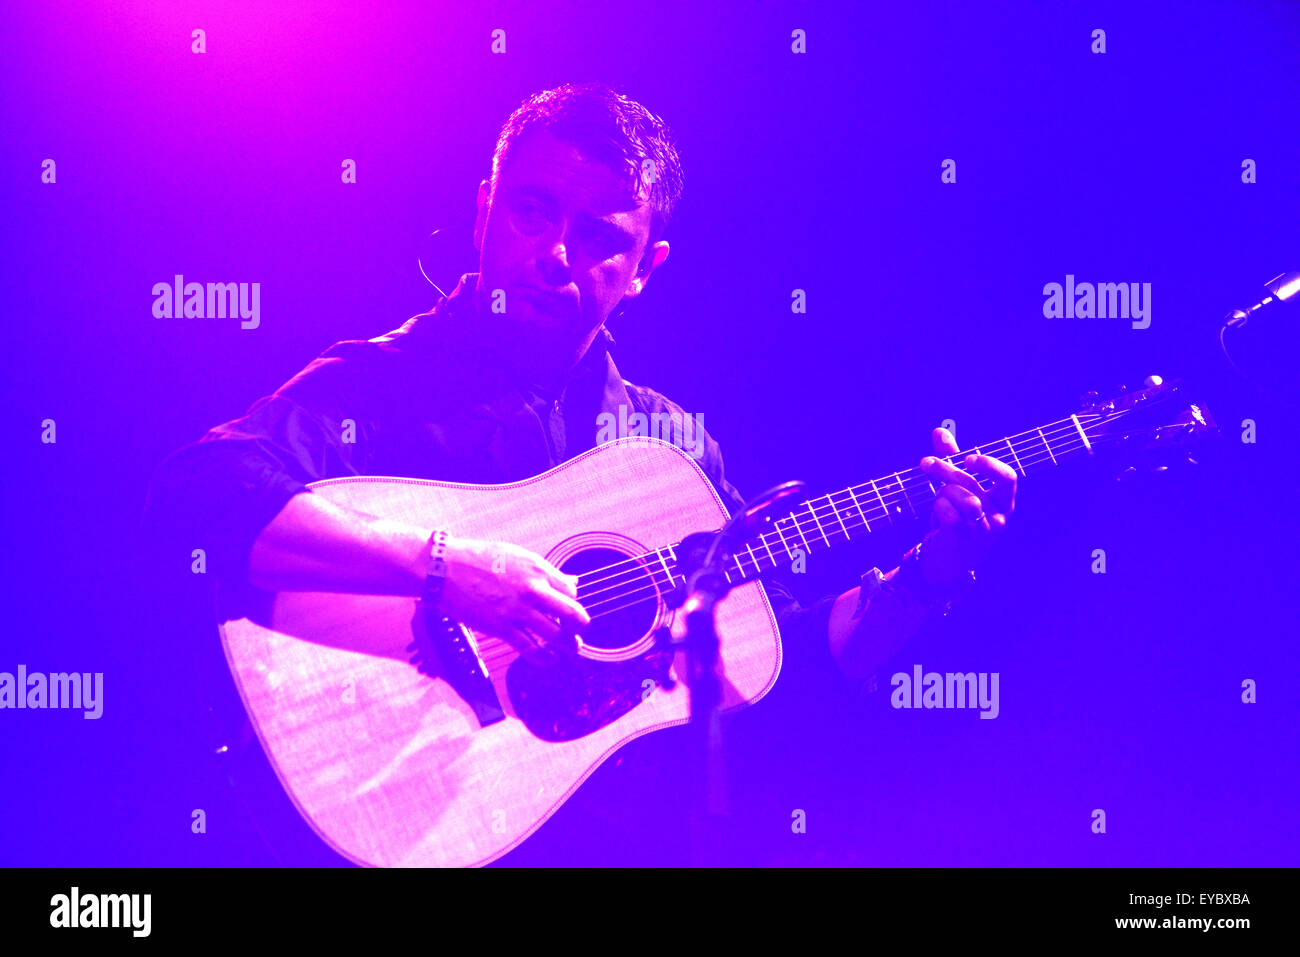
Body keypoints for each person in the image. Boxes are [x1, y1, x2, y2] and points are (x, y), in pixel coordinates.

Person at [143, 81, 1018, 864]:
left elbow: (786, 671)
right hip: (378, 806)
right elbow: (196, 495)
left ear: (646, 269)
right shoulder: (381, 380)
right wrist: (449, 569)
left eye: (600, 235)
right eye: (532, 210)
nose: (557, 253)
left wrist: (931, 572)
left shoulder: (670, 448)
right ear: (485, 208)